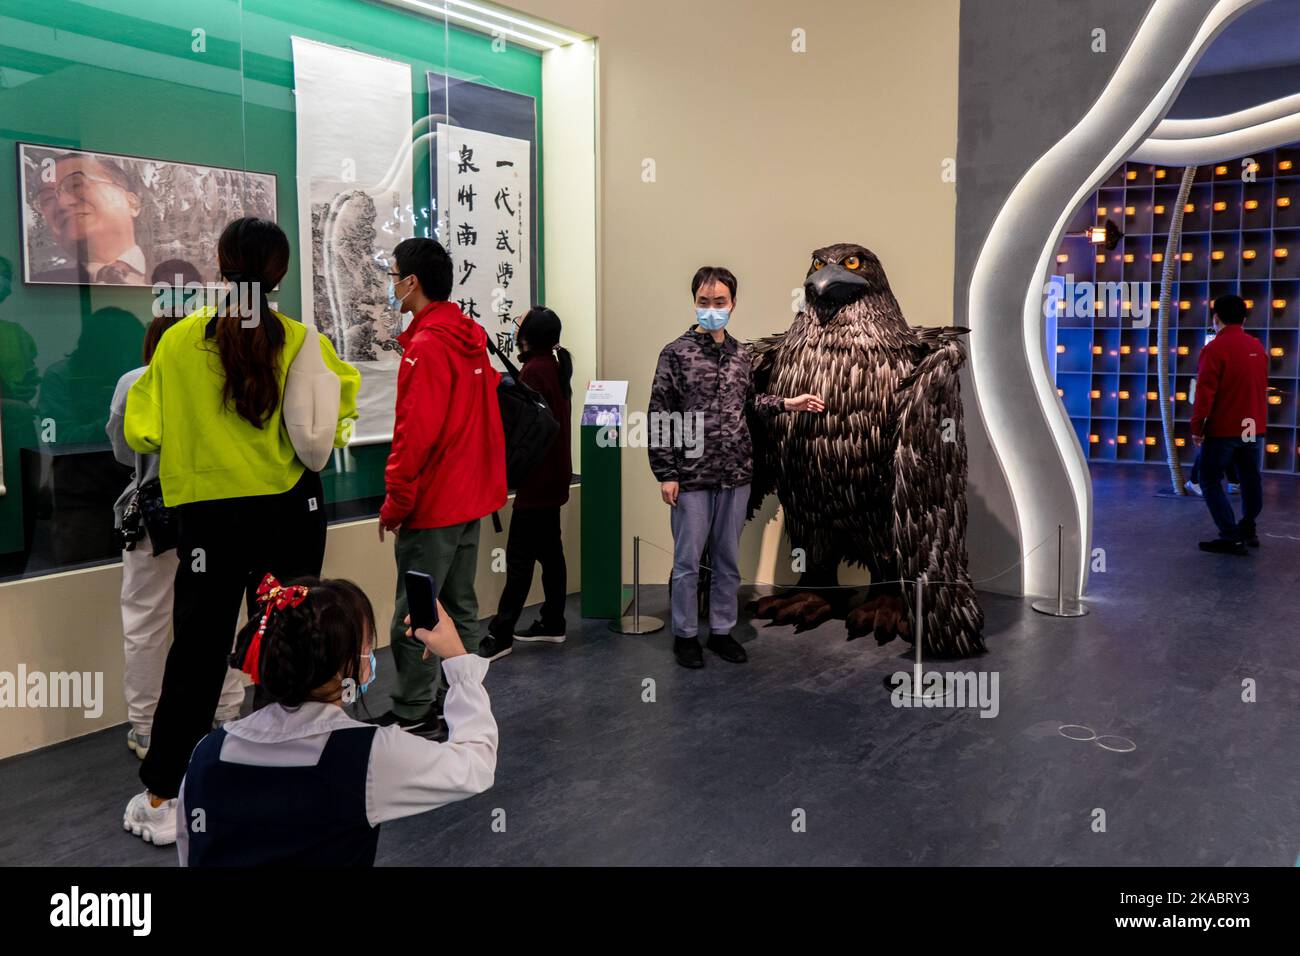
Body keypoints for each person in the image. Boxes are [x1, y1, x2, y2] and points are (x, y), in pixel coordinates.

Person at [120, 217, 360, 846]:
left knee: (197, 653)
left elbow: (143, 431)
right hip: (290, 513)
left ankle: (164, 795)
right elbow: (337, 421)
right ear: (281, 274)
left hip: (210, 519)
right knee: (292, 642)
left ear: (221, 264)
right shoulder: (305, 340)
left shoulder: (177, 344)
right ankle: (291, 778)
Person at [177, 576, 497, 866]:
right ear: (345, 665)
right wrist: (457, 659)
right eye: (366, 645)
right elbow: (475, 765)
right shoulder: (368, 754)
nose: (370, 654)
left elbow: (189, 846)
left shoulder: (206, 753)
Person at [649, 266, 824, 669]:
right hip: (691, 476)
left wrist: (787, 403)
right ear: (695, 302)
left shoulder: (740, 355)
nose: (712, 309)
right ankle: (686, 634)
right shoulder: (675, 354)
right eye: (704, 302)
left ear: (733, 304)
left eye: (720, 302)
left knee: (728, 559)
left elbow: (749, 405)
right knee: (688, 562)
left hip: (735, 474)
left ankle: (723, 630)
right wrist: (667, 473)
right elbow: (661, 416)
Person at [373, 238, 507, 738]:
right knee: (462, 606)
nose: (392, 285)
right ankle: (463, 699)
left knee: (415, 615)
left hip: (433, 505)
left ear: (412, 282)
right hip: (472, 497)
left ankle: (413, 713)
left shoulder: (427, 346)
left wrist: (396, 502)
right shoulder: (468, 334)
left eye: (394, 276)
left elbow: (414, 435)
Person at [107, 313, 247, 761]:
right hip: (214, 510)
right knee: (218, 615)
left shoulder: (136, 380)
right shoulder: (219, 377)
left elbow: (123, 449)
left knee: (145, 622)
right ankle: (227, 715)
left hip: (156, 515)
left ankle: (147, 729)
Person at [478, 307, 573, 662]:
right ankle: (553, 621)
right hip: (555, 476)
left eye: (520, 324)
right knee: (551, 553)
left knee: (519, 560)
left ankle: (500, 635)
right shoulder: (556, 365)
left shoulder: (535, 370)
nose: (516, 327)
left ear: (529, 336)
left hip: (537, 480)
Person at [1190, 294, 1267, 555]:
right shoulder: (1257, 347)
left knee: (1209, 479)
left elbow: (1205, 393)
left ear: (1216, 318)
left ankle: (1229, 534)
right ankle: (1248, 527)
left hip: (1224, 428)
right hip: (1250, 425)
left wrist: (1197, 428)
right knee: (1249, 476)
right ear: (1244, 319)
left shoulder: (1213, 350)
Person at [29, 152, 148, 285]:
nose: (61, 204)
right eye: (48, 199)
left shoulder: (169, 271)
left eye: (76, 186)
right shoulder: (44, 287)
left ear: (132, 203)